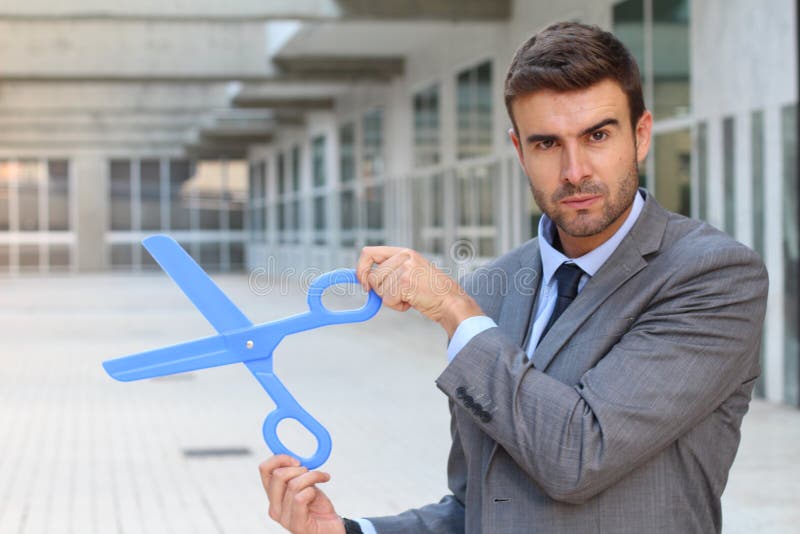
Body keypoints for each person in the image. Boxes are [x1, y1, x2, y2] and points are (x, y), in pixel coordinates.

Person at [258, 21, 769, 534]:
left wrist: (454, 311)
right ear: (519, 150)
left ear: (640, 136)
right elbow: (480, 507)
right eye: (547, 143)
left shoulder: (712, 277)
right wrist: (348, 531)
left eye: (597, 135)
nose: (574, 171)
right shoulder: (495, 289)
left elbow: (580, 454)